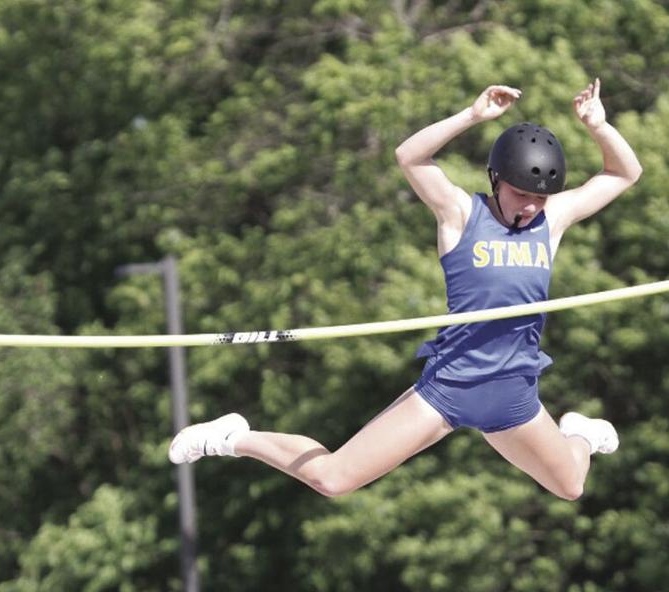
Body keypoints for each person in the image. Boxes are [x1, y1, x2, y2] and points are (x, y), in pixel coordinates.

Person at [169, 78, 642, 500]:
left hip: (514, 393)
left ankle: (579, 432)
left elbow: (624, 173)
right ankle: (232, 437)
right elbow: (409, 156)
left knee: (571, 486)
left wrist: (599, 127)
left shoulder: (551, 222)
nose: (531, 208)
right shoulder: (460, 215)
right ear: (496, 181)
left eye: (540, 198)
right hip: (450, 390)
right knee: (332, 479)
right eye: (522, 194)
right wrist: (472, 117)